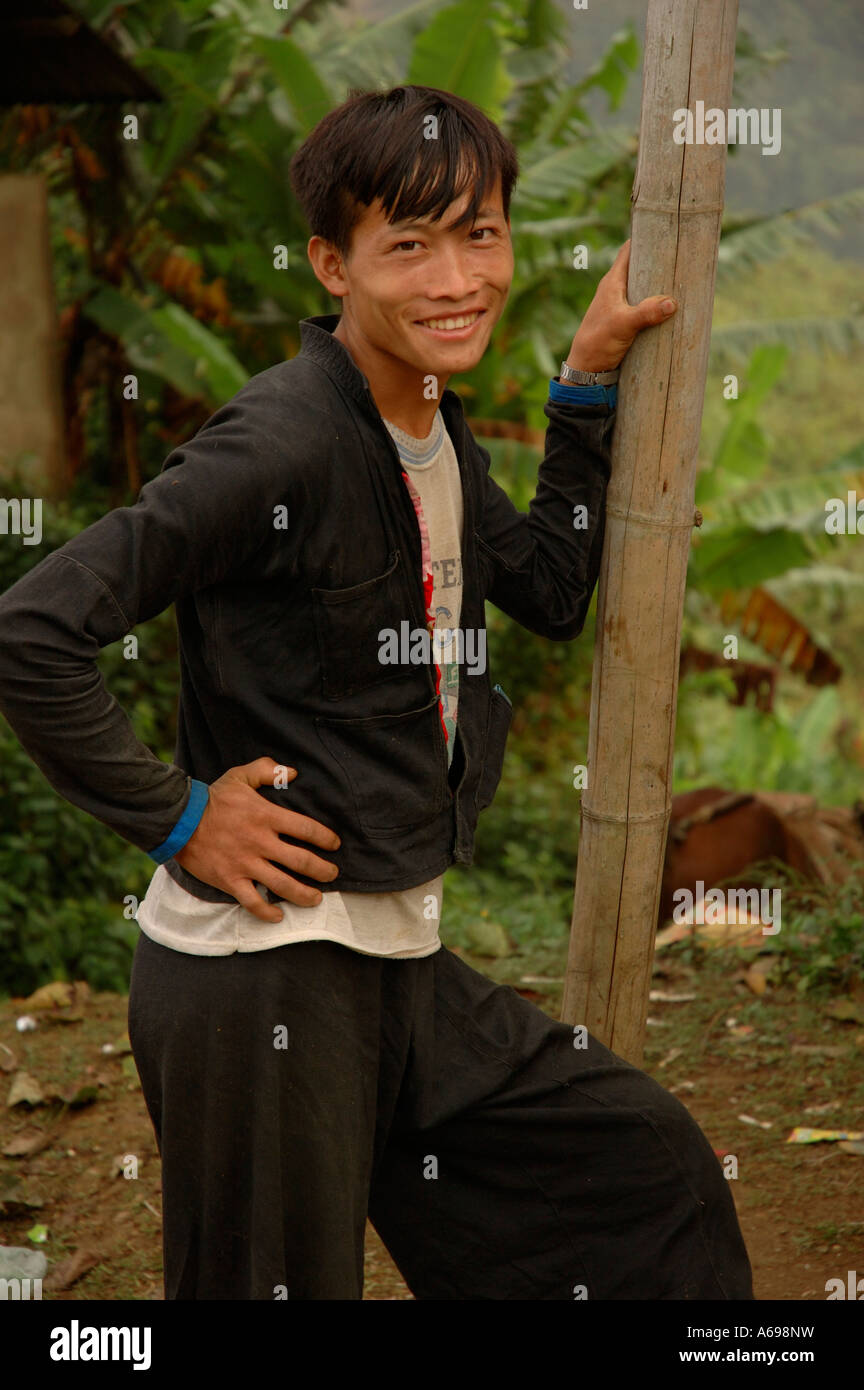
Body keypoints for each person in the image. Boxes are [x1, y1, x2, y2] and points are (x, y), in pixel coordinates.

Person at [0, 85, 753, 1301]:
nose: (457, 277)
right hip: (264, 977)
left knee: (642, 1171)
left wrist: (584, 383)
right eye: (408, 245)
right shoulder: (280, 444)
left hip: (397, 961)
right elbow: (31, 630)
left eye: (481, 234)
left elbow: (552, 587)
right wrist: (182, 814)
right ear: (332, 265)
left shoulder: (431, 425)